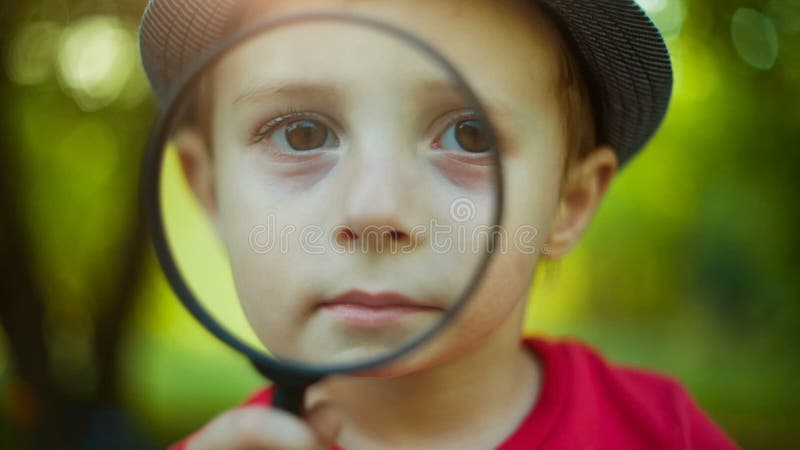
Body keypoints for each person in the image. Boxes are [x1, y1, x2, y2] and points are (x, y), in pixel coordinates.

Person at [139, 0, 741, 448]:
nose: (376, 212)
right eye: (303, 133)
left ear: (569, 203)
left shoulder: (664, 434)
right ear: (213, 195)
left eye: (467, 134)